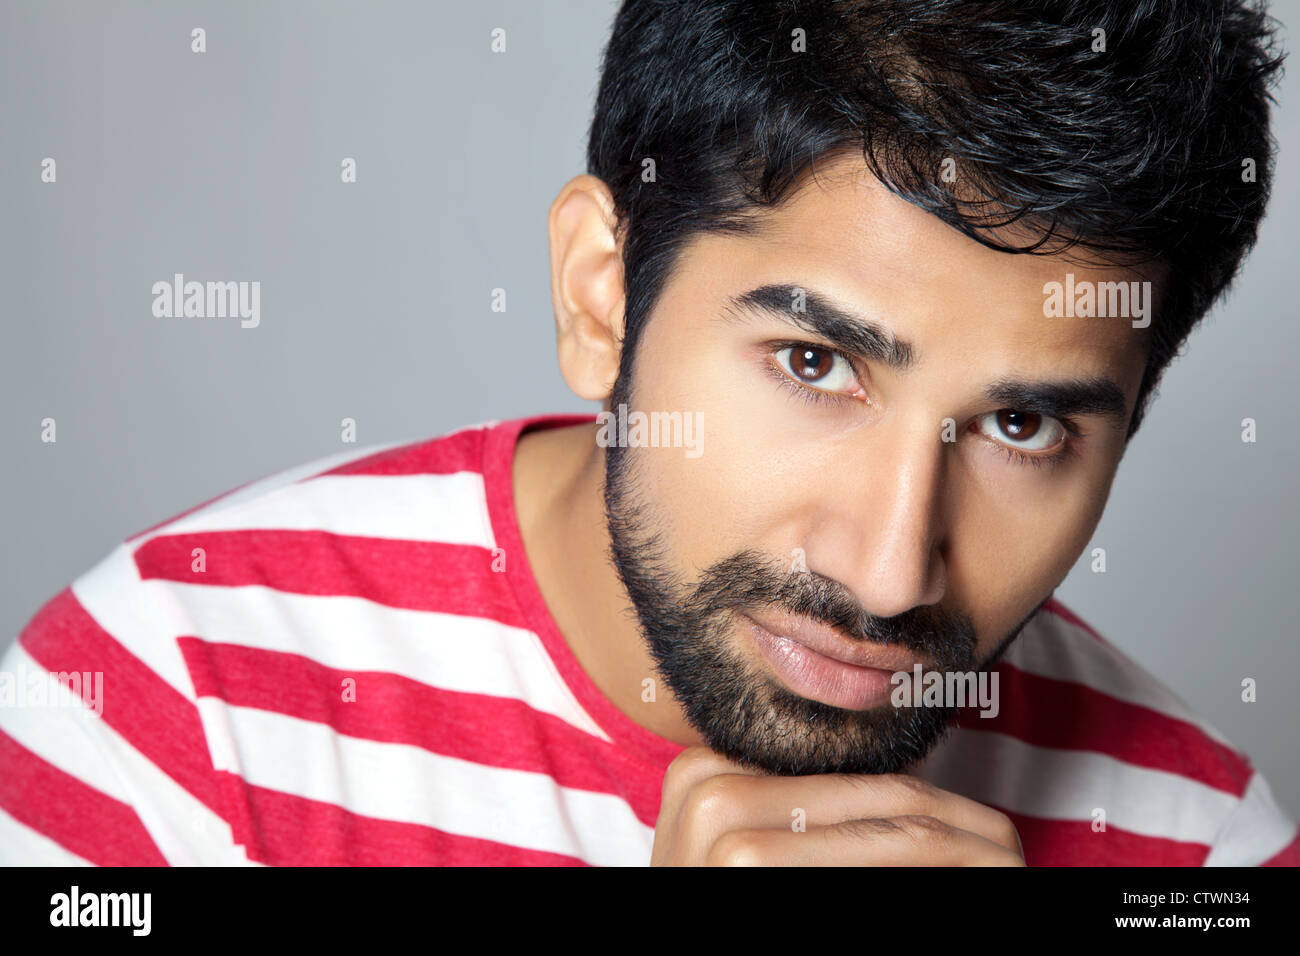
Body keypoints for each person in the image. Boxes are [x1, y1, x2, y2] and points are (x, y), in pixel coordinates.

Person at [2, 0, 1295, 866]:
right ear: (601, 294)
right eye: (813, 361)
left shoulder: (1207, 837)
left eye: (1020, 424)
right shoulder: (171, 711)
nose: (890, 572)